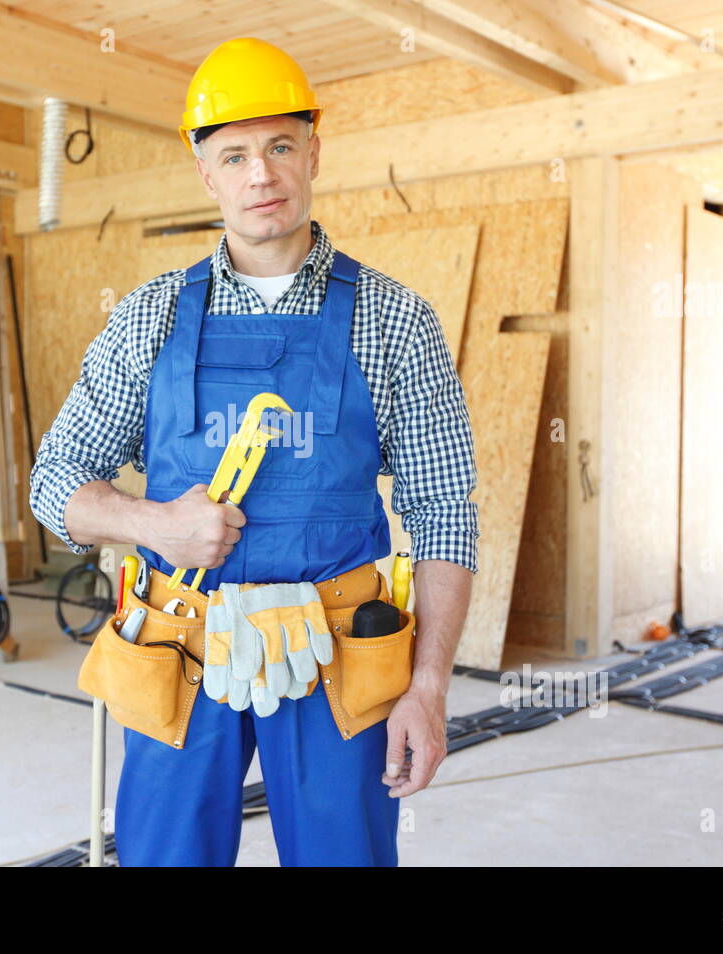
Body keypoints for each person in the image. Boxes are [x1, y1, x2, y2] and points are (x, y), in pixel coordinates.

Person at [30, 36, 478, 866]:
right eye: (234, 155)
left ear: (314, 150)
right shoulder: (148, 318)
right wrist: (154, 524)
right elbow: (54, 481)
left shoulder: (396, 320)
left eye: (278, 147)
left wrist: (429, 686)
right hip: (178, 644)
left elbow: (445, 510)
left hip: (338, 650)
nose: (260, 175)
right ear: (207, 174)